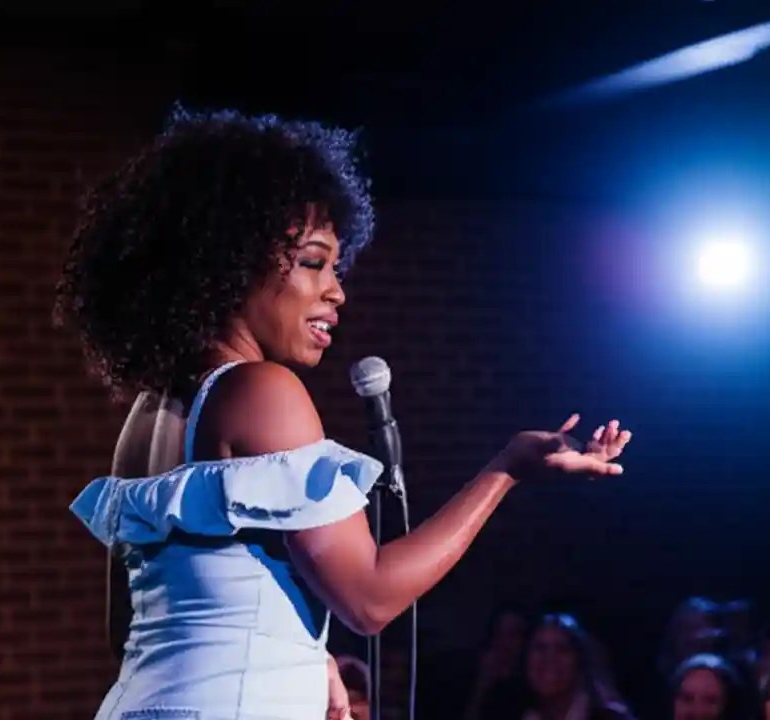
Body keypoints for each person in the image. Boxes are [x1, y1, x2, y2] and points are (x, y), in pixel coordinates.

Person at [54, 104, 633, 720]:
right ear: (228, 262)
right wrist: (507, 469)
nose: (337, 290)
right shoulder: (261, 389)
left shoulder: (148, 413)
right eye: (312, 262)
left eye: (336, 266)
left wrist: (307, 659)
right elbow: (370, 598)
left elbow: (136, 628)